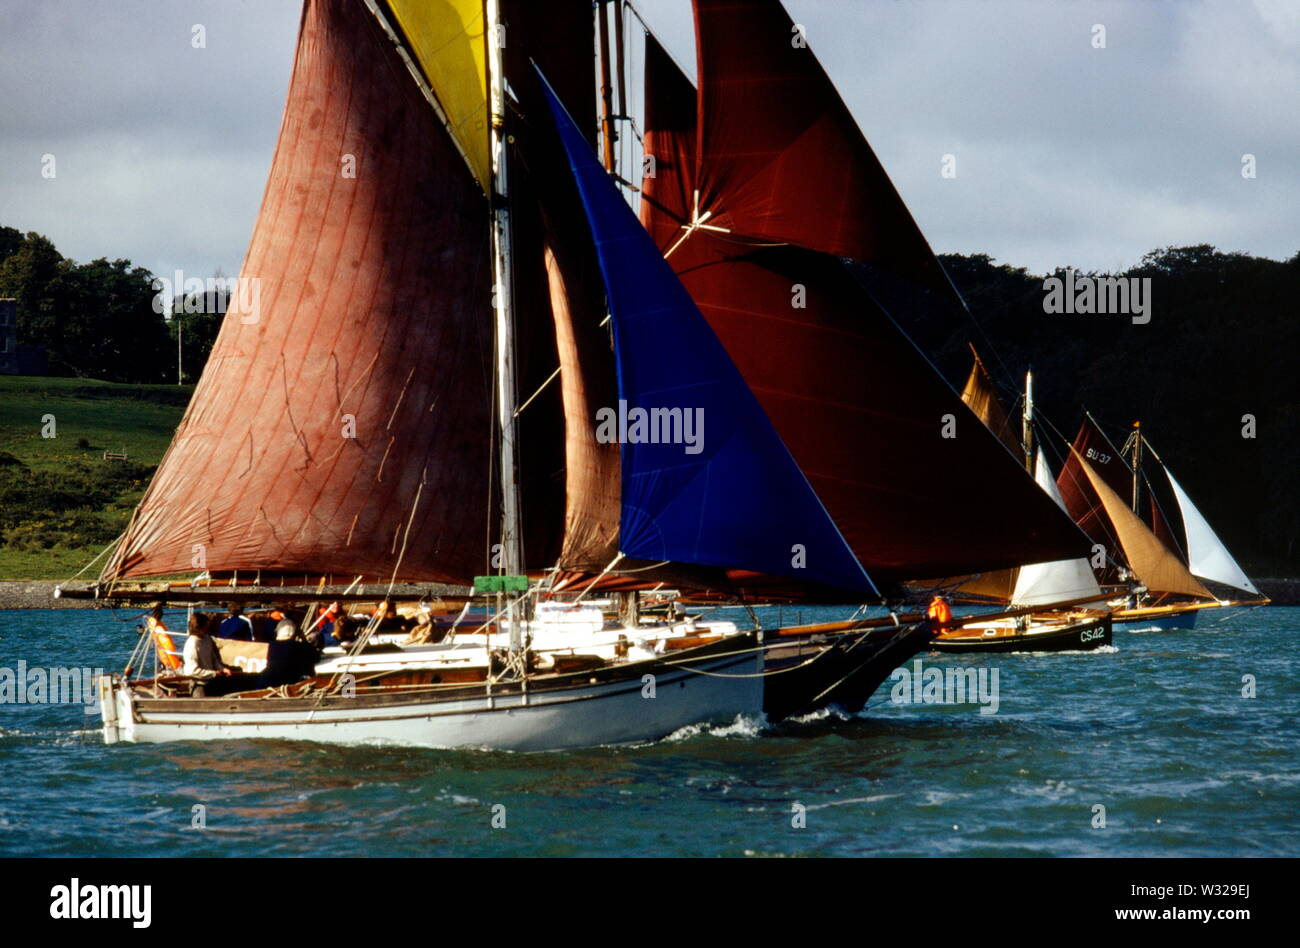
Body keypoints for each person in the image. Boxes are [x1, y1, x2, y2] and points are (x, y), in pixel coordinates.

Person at [183, 611, 236, 697]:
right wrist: (214, 673)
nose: (208, 628)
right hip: (199, 683)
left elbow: (213, 658)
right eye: (206, 626)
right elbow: (192, 671)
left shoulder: (207, 638)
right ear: (199, 627)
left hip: (211, 680)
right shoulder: (192, 645)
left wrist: (222, 669)